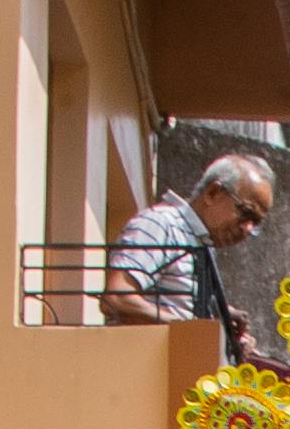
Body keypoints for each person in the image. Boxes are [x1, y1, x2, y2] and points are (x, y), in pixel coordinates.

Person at [109, 147, 278, 343]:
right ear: (213, 193)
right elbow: (117, 298)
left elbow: (184, 315)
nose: (248, 228)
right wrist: (199, 330)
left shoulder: (201, 247)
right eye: (246, 213)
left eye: (256, 223)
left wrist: (223, 327)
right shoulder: (162, 223)